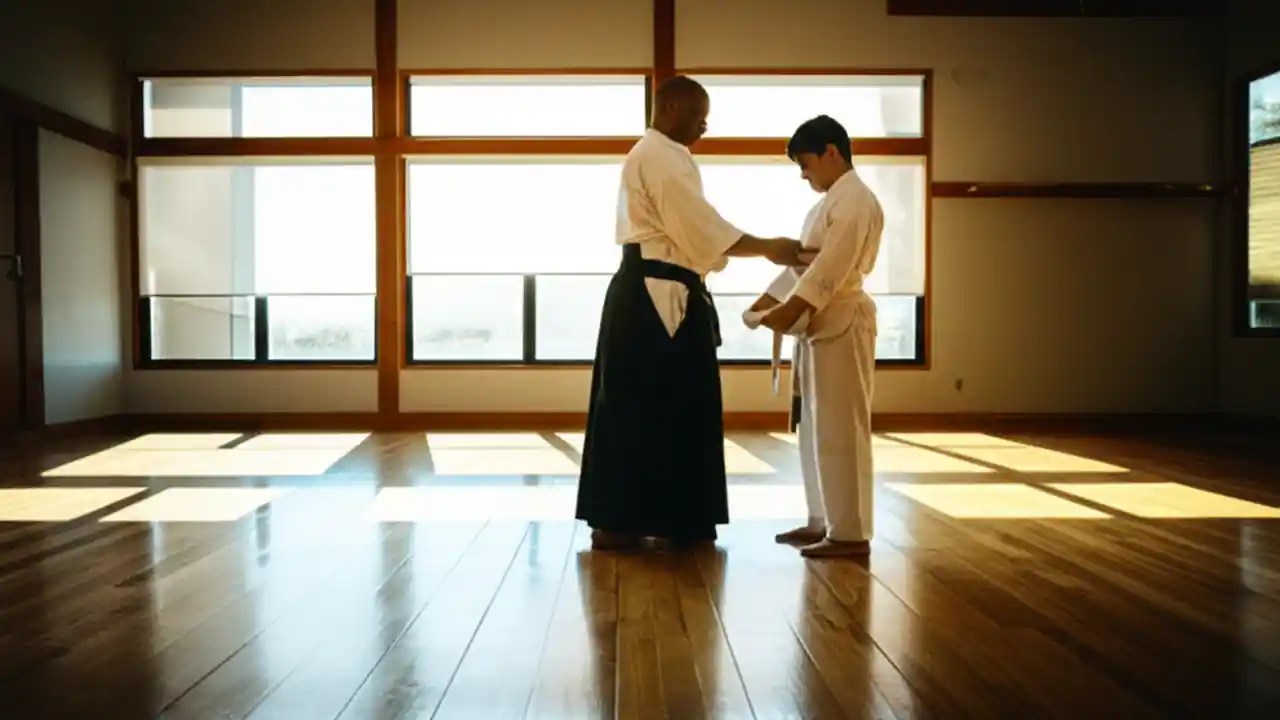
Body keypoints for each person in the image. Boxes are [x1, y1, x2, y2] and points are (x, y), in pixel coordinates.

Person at [576, 76, 808, 551]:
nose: (704, 125)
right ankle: (637, 519)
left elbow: (696, 231)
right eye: (699, 115)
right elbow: (699, 228)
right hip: (654, 297)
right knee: (653, 407)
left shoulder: (659, 154)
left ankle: (647, 517)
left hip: (652, 292)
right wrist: (768, 247)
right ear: (671, 106)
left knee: (649, 406)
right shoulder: (659, 155)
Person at [754, 114, 883, 558]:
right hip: (818, 322)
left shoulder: (856, 201)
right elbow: (806, 263)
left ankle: (850, 533)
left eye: (805, 162)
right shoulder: (827, 203)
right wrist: (769, 301)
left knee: (841, 429)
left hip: (842, 317)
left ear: (832, 152)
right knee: (813, 427)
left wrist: (791, 308)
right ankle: (821, 519)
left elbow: (832, 266)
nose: (803, 173)